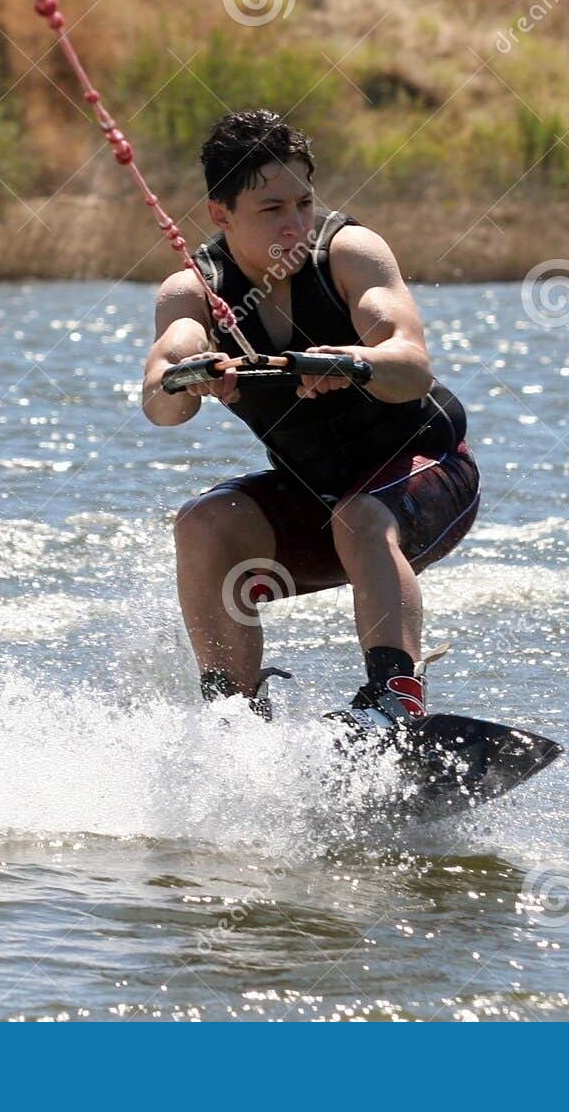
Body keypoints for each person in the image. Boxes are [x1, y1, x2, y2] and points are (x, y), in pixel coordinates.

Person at [143, 109, 479, 730]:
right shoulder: (193, 293)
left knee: (360, 515)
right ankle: (233, 724)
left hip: (428, 475)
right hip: (320, 496)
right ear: (222, 214)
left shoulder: (351, 254)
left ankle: (393, 706)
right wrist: (194, 372)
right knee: (202, 524)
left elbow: (411, 365)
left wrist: (354, 363)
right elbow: (161, 401)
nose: (296, 224)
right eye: (272, 210)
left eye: (304, 202)